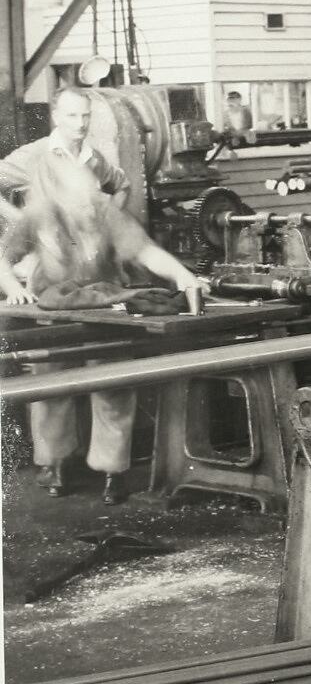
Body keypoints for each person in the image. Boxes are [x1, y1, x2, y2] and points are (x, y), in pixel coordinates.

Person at [0, 98, 201, 504]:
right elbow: (4, 255)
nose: (88, 201)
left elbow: (144, 251)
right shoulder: (40, 214)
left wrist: (182, 274)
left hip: (104, 304)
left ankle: (112, 472)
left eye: (92, 193)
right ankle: (55, 462)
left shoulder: (106, 212)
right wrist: (11, 287)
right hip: (51, 307)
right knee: (49, 383)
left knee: (112, 385)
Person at [1, 86, 130, 208]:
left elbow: (122, 186)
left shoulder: (94, 157)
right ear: (56, 117)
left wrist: (110, 218)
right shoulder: (35, 154)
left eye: (85, 116)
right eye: (72, 116)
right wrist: (19, 219)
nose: (80, 124)